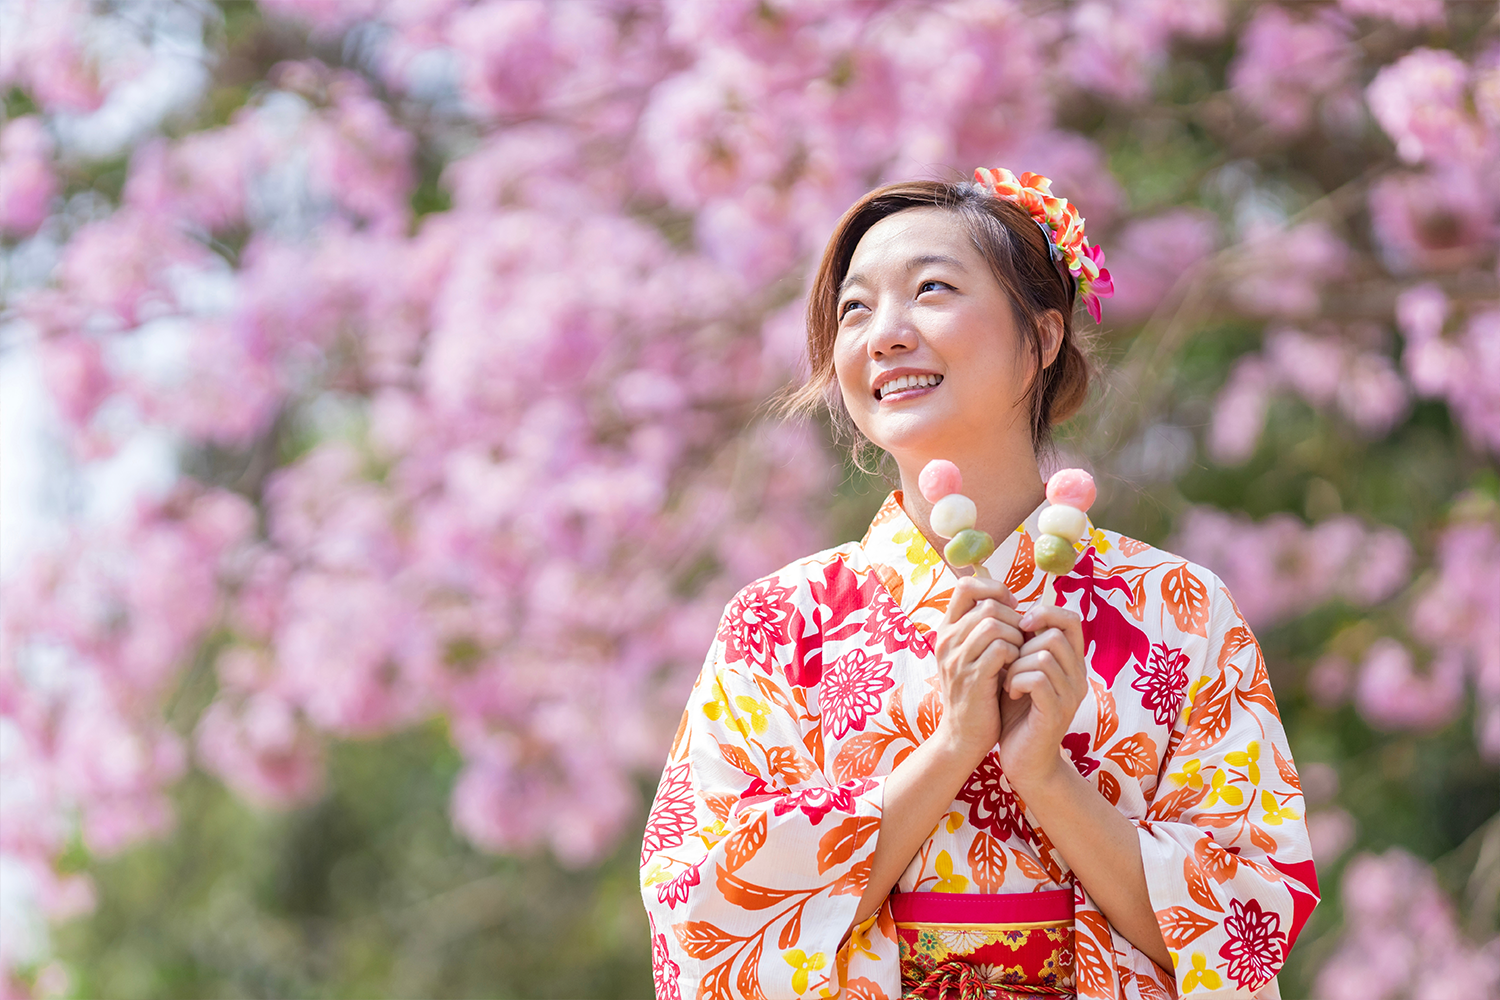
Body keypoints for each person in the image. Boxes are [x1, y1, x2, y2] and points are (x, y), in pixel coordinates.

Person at [640, 169, 1318, 1000]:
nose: (884, 334)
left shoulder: (1181, 609)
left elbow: (1252, 922)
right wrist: (952, 747)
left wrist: (1047, 778)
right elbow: (699, 904)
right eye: (855, 308)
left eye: (931, 290)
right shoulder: (780, 623)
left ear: (1040, 337)